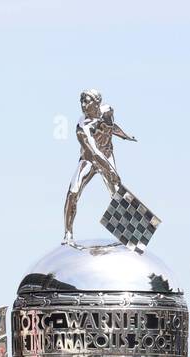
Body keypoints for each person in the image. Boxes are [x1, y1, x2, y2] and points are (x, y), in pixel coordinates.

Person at [63, 90, 136, 244]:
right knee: (73, 192)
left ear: (97, 103)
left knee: (117, 193)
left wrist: (125, 135)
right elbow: (94, 153)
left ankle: (128, 234)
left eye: (87, 101)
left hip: (107, 155)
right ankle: (68, 234)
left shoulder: (108, 111)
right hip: (89, 159)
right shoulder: (82, 127)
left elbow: (111, 126)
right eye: (81, 102)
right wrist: (110, 170)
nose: (83, 105)